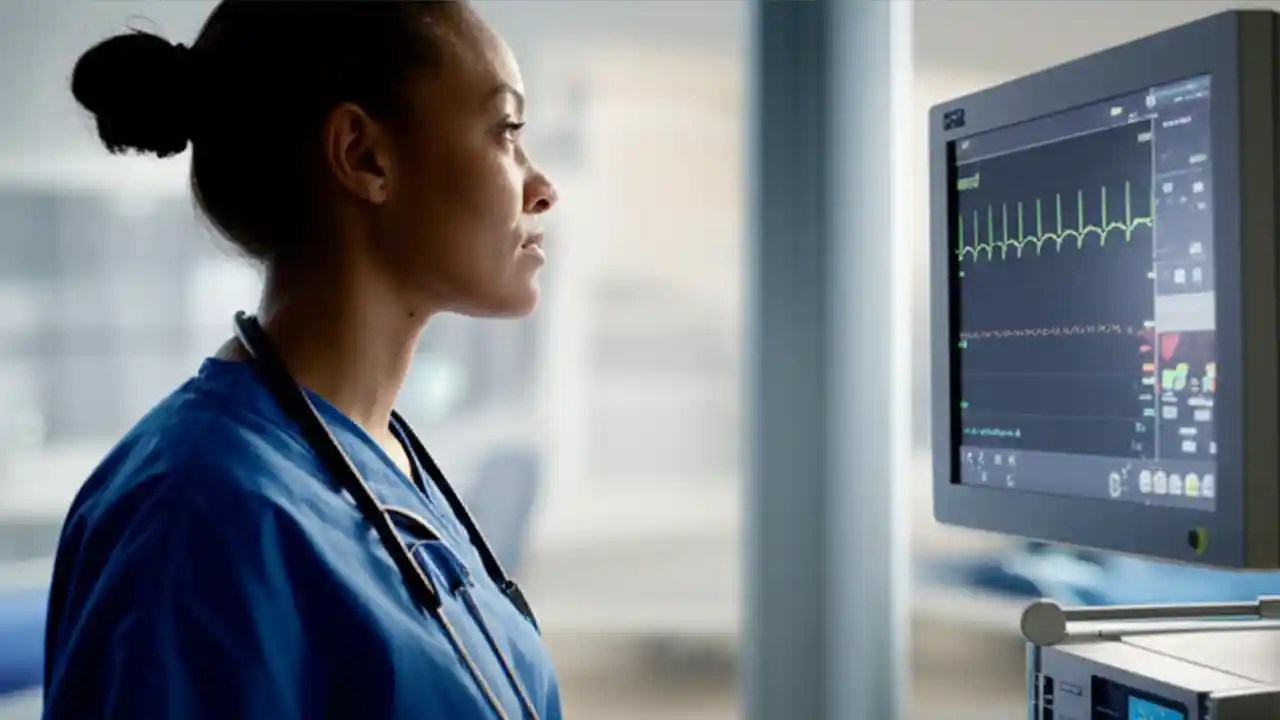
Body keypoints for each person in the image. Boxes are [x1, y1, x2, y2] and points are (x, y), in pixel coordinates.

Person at [43, 1, 561, 718]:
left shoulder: (383, 462)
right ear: (363, 155)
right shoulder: (197, 515)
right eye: (506, 130)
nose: (543, 187)